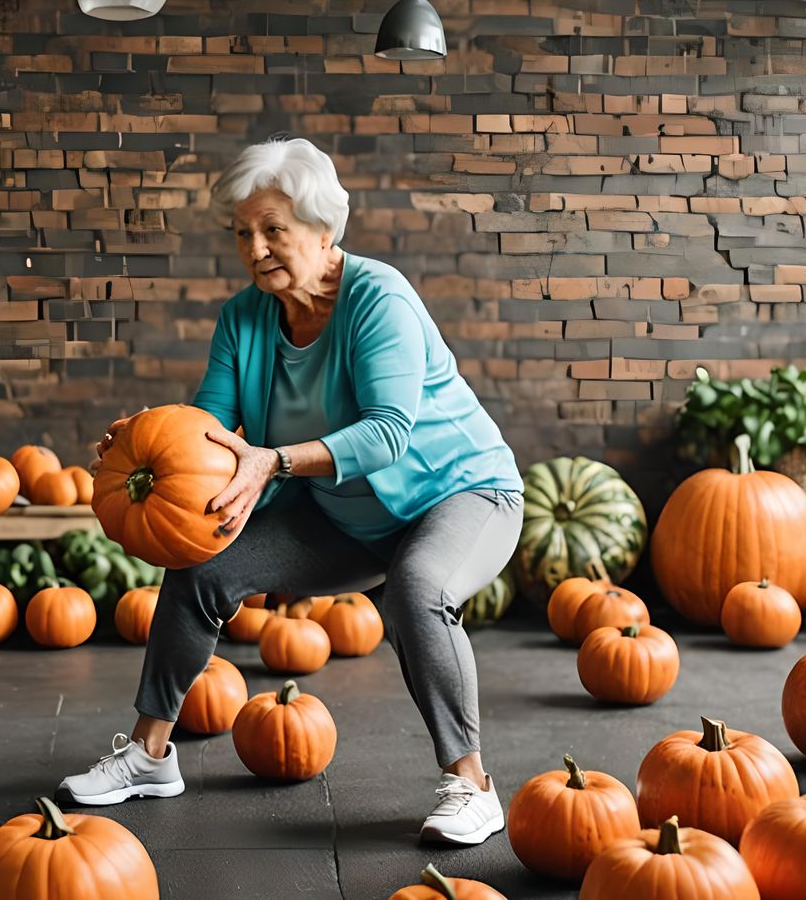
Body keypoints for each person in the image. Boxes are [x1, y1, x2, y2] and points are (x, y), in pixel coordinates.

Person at [59, 137, 524, 846]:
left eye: (274, 229)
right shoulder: (243, 319)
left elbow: (389, 433)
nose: (256, 247)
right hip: (345, 515)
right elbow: (208, 434)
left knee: (419, 585)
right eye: (243, 233)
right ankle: (149, 756)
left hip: (462, 494)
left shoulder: (379, 299)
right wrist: (142, 448)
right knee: (202, 567)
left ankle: (471, 785)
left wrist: (271, 461)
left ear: (323, 228)